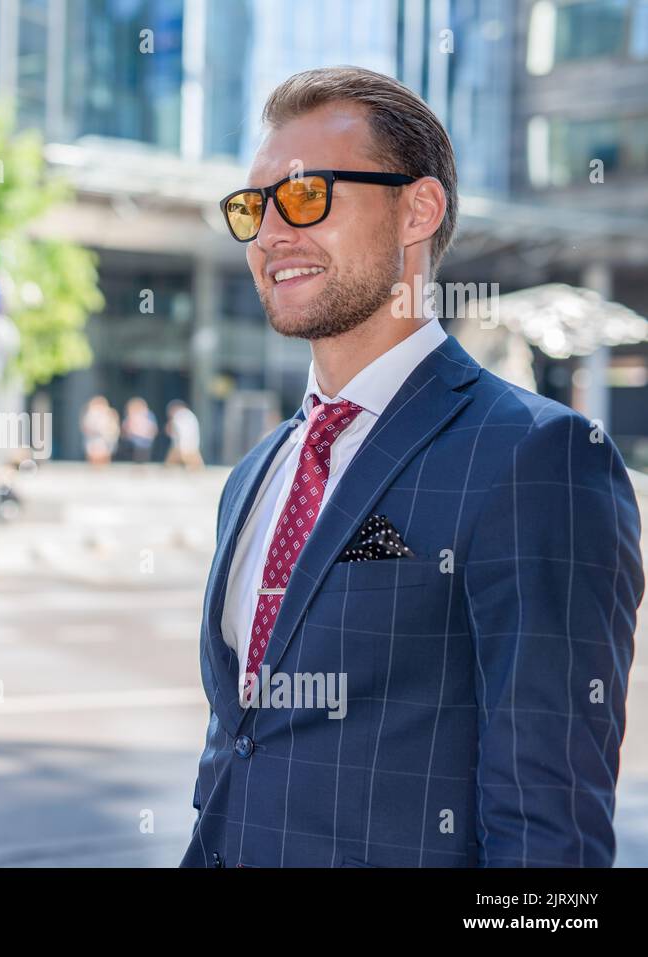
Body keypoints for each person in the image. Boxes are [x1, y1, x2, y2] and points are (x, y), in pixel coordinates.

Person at [183, 67, 643, 868]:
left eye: (305, 196)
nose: (270, 235)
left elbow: (547, 831)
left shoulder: (537, 457)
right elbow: (239, 753)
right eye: (254, 209)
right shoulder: (256, 472)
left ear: (416, 209)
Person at [79, 395, 119, 468]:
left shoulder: (109, 413)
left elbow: (112, 427)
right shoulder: (90, 414)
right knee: (94, 453)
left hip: (104, 439)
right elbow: (86, 427)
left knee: (103, 454)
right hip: (94, 439)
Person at [163, 400, 203, 469]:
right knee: (193, 461)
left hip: (183, 444)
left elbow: (177, 432)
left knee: (190, 460)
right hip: (191, 443)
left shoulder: (179, 416)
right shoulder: (190, 415)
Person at [119, 397, 158, 463]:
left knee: (142, 460)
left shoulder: (149, 415)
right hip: (132, 443)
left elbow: (153, 429)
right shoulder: (130, 416)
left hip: (145, 442)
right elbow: (125, 429)